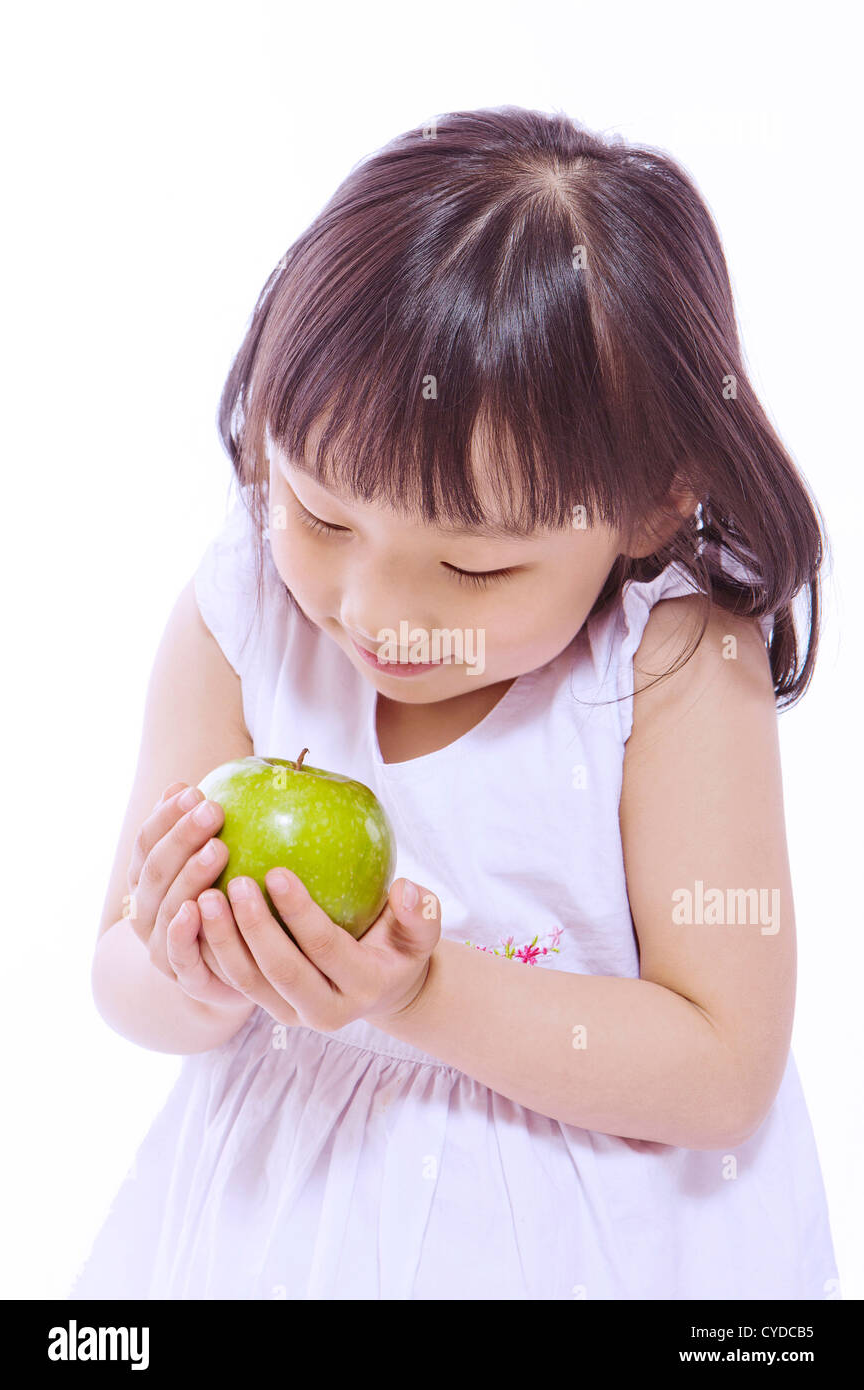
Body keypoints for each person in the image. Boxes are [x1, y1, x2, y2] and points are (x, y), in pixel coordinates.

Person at [69, 106, 840, 1300]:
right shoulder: (246, 604)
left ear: (647, 501)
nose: (372, 609)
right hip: (284, 1233)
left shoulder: (671, 661)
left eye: (475, 567)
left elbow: (723, 1065)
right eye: (322, 514)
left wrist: (420, 991)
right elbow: (120, 970)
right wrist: (193, 968)